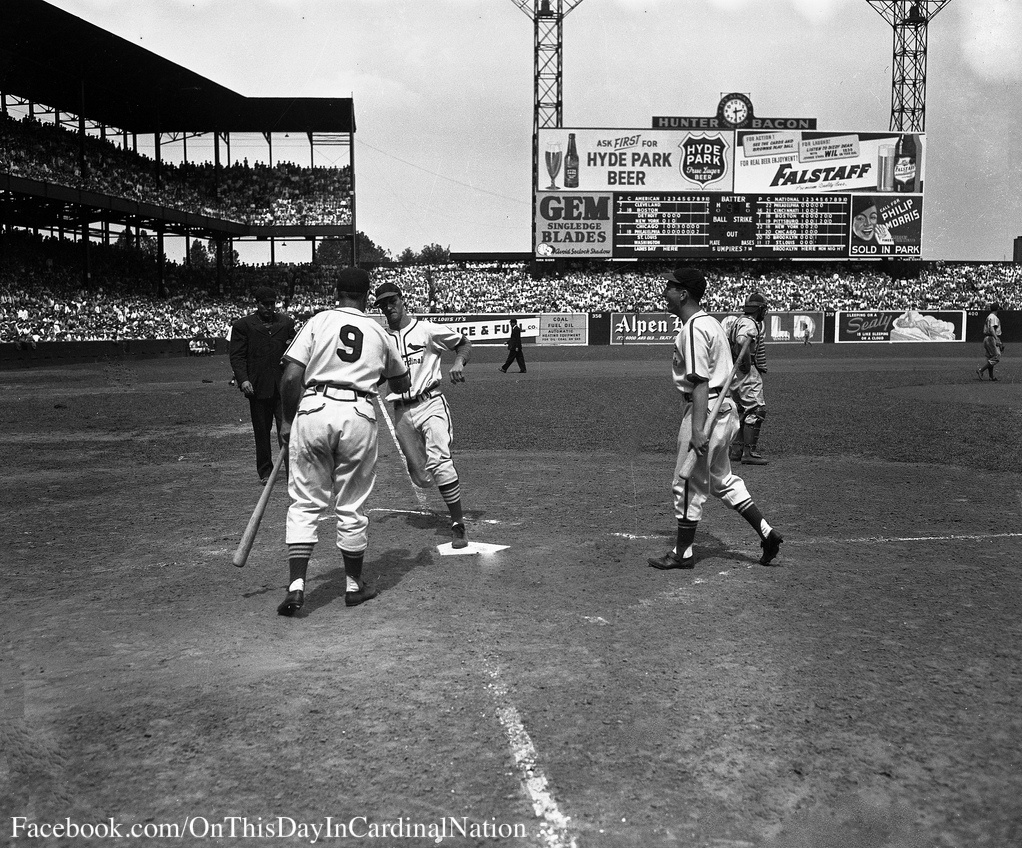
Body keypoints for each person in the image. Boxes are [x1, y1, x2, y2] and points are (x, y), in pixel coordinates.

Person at [275, 268, 410, 616]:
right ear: (366, 295)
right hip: (358, 412)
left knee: (304, 503)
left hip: (314, 408)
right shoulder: (379, 332)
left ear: (337, 291)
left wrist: (289, 421)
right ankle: (353, 586)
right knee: (350, 504)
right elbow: (400, 383)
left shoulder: (319, 321)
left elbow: (291, 376)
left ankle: (296, 587)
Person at [647, 267, 783, 571]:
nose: (664, 291)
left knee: (685, 486)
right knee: (722, 481)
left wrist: (697, 429)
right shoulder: (711, 323)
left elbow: (699, 381)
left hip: (704, 410)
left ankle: (682, 554)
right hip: (724, 411)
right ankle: (767, 533)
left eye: (670, 286)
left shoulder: (694, 328)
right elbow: (737, 369)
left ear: (683, 294)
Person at [373, 282, 473, 548]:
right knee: (421, 477)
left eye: (392, 300)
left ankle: (458, 524)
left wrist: (459, 362)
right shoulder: (382, 339)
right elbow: (379, 373)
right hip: (402, 412)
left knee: (440, 461)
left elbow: (463, 343)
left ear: (402, 299)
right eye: (382, 304)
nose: (388, 307)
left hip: (430, 402)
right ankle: (437, 481)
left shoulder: (426, 329)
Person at [229, 286, 296, 484]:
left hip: (283, 387)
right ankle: (265, 472)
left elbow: (294, 350)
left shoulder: (286, 323)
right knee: (261, 431)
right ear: (256, 304)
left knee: (288, 429)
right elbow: (237, 356)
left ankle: (292, 471)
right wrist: (244, 380)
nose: (269, 308)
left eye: (272, 304)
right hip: (257, 387)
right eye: (264, 304)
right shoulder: (243, 326)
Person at [727, 292, 770, 465]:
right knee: (756, 409)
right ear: (758, 309)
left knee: (741, 410)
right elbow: (741, 340)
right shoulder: (749, 323)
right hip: (746, 371)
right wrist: (745, 362)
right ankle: (748, 452)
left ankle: (737, 450)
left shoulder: (738, 320)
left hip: (734, 372)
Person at [977, 302, 1005, 381]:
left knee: (991, 357)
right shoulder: (993, 317)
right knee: (996, 356)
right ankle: (981, 370)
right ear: (997, 309)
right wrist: (996, 339)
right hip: (991, 338)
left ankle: (991, 377)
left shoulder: (989, 316)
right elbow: (992, 329)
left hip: (987, 338)